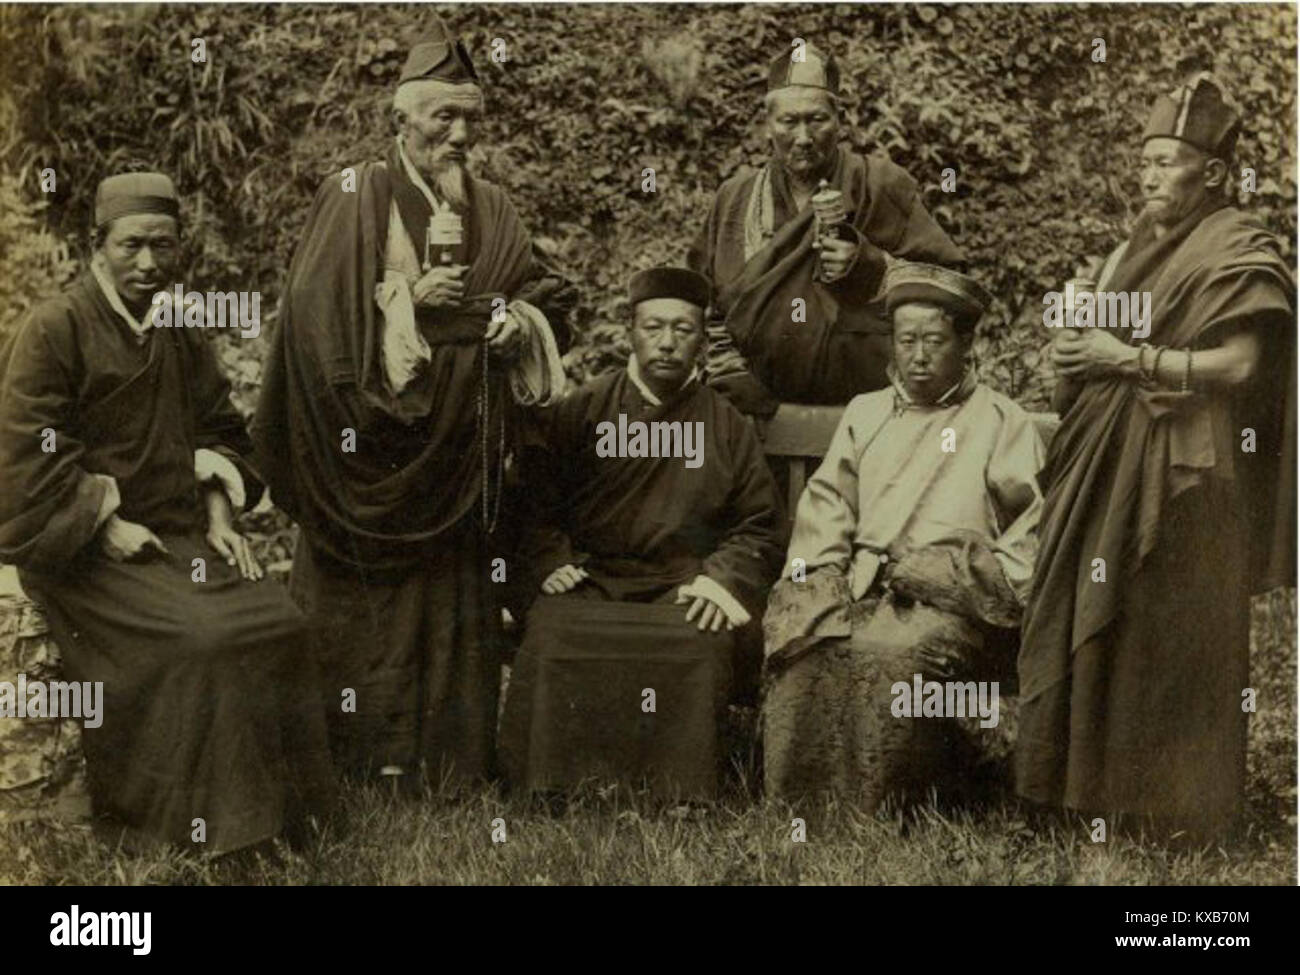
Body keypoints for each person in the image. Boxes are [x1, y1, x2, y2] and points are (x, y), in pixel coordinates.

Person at [251, 18, 573, 786]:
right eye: (443, 117)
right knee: (357, 612)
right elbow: (315, 319)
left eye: (471, 119)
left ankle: (446, 761)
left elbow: (543, 295)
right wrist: (402, 305)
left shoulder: (492, 206)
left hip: (456, 455)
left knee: (447, 604)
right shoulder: (354, 194)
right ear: (402, 119)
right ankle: (347, 761)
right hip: (365, 452)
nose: (459, 134)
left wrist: (514, 324)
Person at [0, 172, 334, 854]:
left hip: (180, 538)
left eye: (163, 246)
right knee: (199, 642)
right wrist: (99, 518)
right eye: (131, 246)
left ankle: (287, 821)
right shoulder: (55, 328)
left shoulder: (179, 331)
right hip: (88, 555)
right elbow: (22, 458)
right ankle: (180, 824)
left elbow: (221, 429)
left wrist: (217, 509)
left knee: (282, 624)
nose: (148, 264)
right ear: (98, 246)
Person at [1015, 73, 1296, 841]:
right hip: (1103, 462)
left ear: (1210, 172)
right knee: (1092, 621)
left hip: (1190, 479)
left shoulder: (1237, 244)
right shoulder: (1122, 253)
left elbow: (1240, 367)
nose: (1147, 174)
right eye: (1143, 160)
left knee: (1171, 640)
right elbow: (1077, 372)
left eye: (1166, 160)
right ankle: (1085, 797)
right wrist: (1075, 346)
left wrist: (1128, 357)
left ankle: (1179, 815)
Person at [763, 262, 1043, 809]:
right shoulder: (865, 414)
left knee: (893, 654)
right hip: (860, 586)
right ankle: (803, 810)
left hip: (948, 602)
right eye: (906, 340)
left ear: (964, 342)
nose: (918, 356)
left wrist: (950, 575)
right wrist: (821, 572)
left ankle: (888, 808)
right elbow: (830, 504)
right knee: (808, 648)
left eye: (934, 341)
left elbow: (1032, 530)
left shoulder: (999, 420)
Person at [500, 267, 784, 797]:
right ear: (630, 329)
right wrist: (548, 559)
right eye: (654, 327)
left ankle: (679, 791)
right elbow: (534, 503)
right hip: (595, 579)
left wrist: (722, 582)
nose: (668, 343)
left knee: (700, 641)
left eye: (683, 330)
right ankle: (553, 785)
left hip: (685, 583)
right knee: (553, 631)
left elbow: (759, 523)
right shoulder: (583, 412)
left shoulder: (725, 424)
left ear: (701, 341)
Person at [687, 42, 964, 414]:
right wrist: (729, 371)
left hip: (871, 414)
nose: (803, 137)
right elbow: (701, 304)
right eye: (788, 121)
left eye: (816, 119)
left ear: (840, 119)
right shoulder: (735, 200)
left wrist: (870, 267)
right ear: (767, 125)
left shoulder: (880, 185)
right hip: (752, 413)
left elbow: (951, 288)